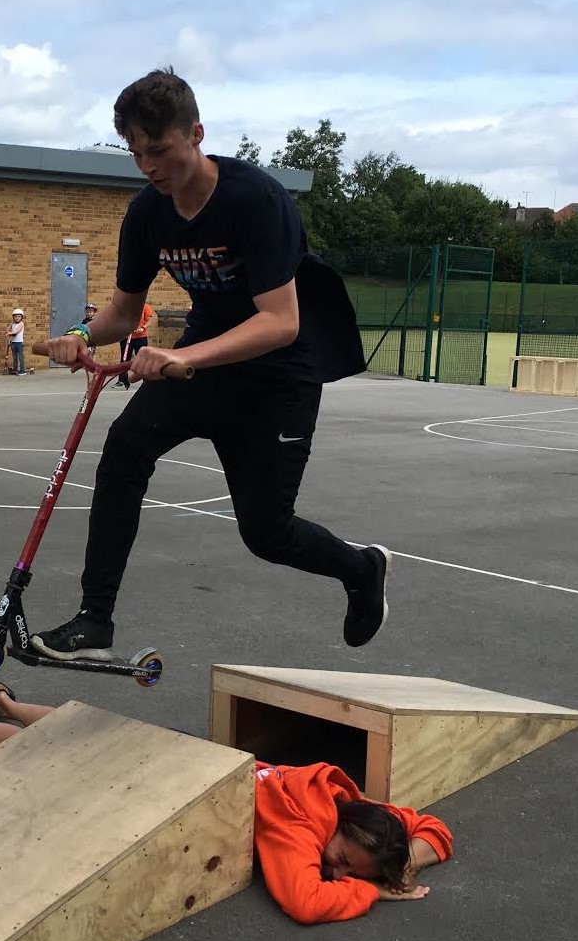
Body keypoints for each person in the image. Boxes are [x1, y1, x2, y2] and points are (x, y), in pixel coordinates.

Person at [33, 68, 387, 661]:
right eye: (136, 153)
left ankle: (362, 568)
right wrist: (74, 335)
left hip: (278, 373)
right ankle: (95, 621)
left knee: (267, 532)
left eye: (160, 150)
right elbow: (122, 312)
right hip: (203, 360)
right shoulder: (148, 214)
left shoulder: (256, 200)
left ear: (195, 133)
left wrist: (180, 355)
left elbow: (281, 321)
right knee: (125, 447)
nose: (148, 166)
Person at [0, 691, 452, 925]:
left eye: (347, 870)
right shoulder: (298, 830)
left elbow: (429, 826)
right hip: (167, 788)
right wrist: (372, 891)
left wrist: (403, 865)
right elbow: (305, 902)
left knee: (91, 735)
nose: (335, 869)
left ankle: (8, 702)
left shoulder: (339, 795)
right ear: (345, 832)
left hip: (196, 761)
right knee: (49, 758)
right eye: (342, 860)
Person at [114, 300, 155, 389]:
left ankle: (145, 381)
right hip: (126, 337)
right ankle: (122, 380)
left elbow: (149, 322)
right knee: (125, 359)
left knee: (142, 359)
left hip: (141, 338)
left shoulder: (145, 307)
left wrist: (142, 328)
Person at [7, 307, 26, 375]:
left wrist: (9, 333)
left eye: (19, 316)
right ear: (13, 317)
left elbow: (16, 332)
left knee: (20, 357)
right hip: (13, 343)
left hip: (19, 343)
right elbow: (8, 330)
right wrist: (11, 323)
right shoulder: (13, 324)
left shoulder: (21, 324)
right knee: (14, 357)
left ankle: (22, 370)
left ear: (21, 317)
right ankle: (15, 369)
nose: (17, 318)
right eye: (15, 316)